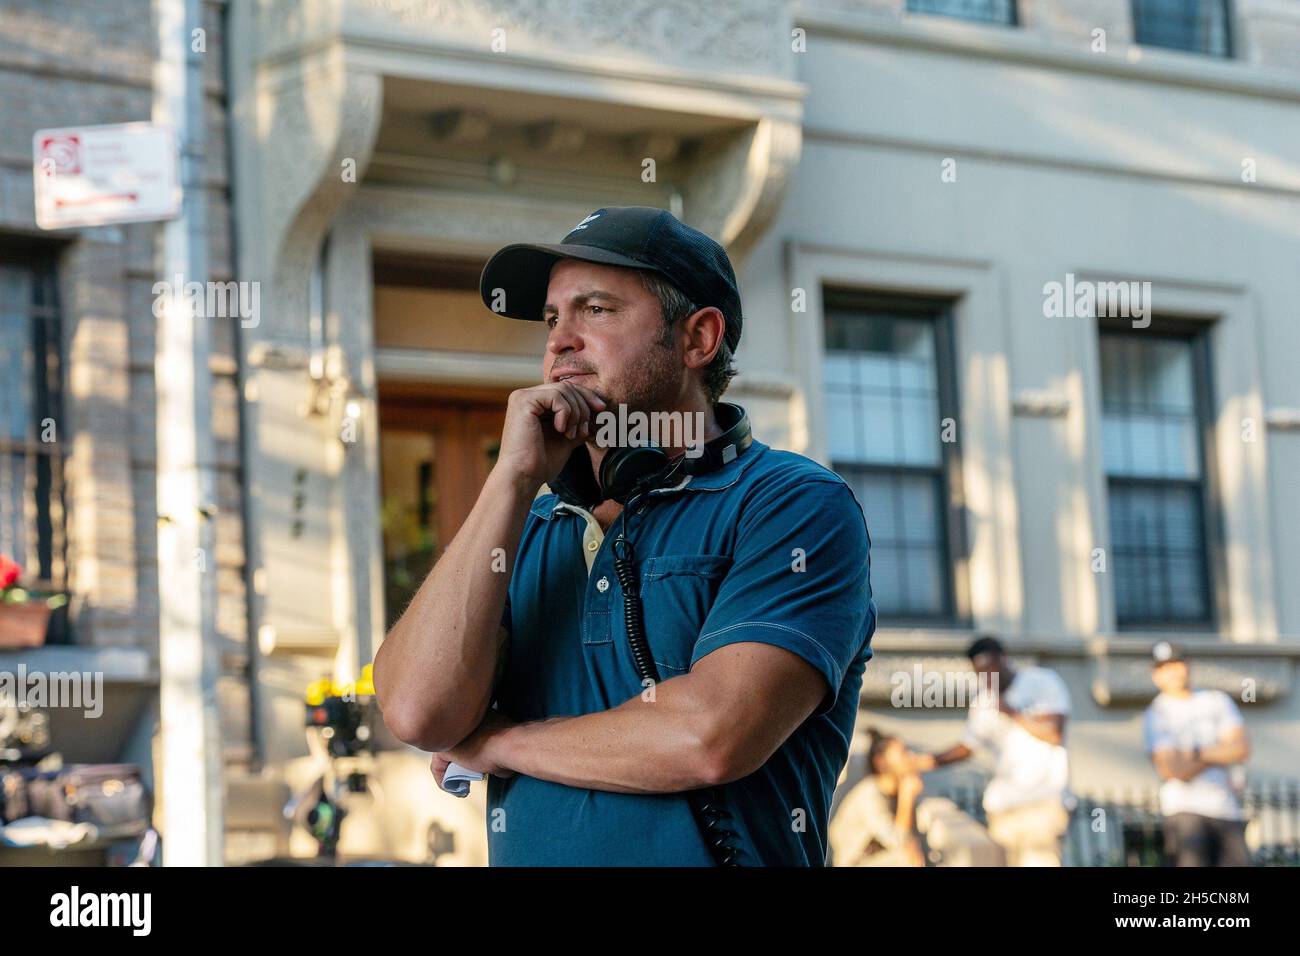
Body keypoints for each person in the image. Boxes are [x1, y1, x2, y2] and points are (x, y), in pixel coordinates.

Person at [373, 206, 877, 865]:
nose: (560, 341)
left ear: (698, 338)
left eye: (596, 309)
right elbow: (417, 712)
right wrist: (512, 479)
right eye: (551, 319)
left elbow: (711, 736)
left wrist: (500, 742)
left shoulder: (793, 504)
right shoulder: (522, 522)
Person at [906, 636, 1073, 866]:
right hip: (1002, 809)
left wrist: (1011, 712)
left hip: (1042, 804)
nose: (986, 677)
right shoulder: (983, 702)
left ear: (1004, 659)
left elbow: (1053, 733)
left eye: (989, 668)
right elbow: (967, 747)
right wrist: (926, 761)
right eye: (979, 672)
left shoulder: (1041, 682)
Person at [1144, 641, 1252, 867]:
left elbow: (1241, 748)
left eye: (1176, 664)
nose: (1172, 672)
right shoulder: (1157, 712)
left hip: (1225, 808)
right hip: (1184, 811)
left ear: (1188, 665)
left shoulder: (1216, 700)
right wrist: (1218, 751)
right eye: (1164, 667)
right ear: (1155, 675)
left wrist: (1193, 753)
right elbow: (1173, 769)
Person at [829, 729, 926, 867]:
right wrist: (907, 797)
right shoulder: (870, 795)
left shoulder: (893, 793)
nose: (911, 757)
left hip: (878, 857)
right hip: (855, 862)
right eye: (903, 753)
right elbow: (899, 840)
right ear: (881, 762)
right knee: (906, 857)